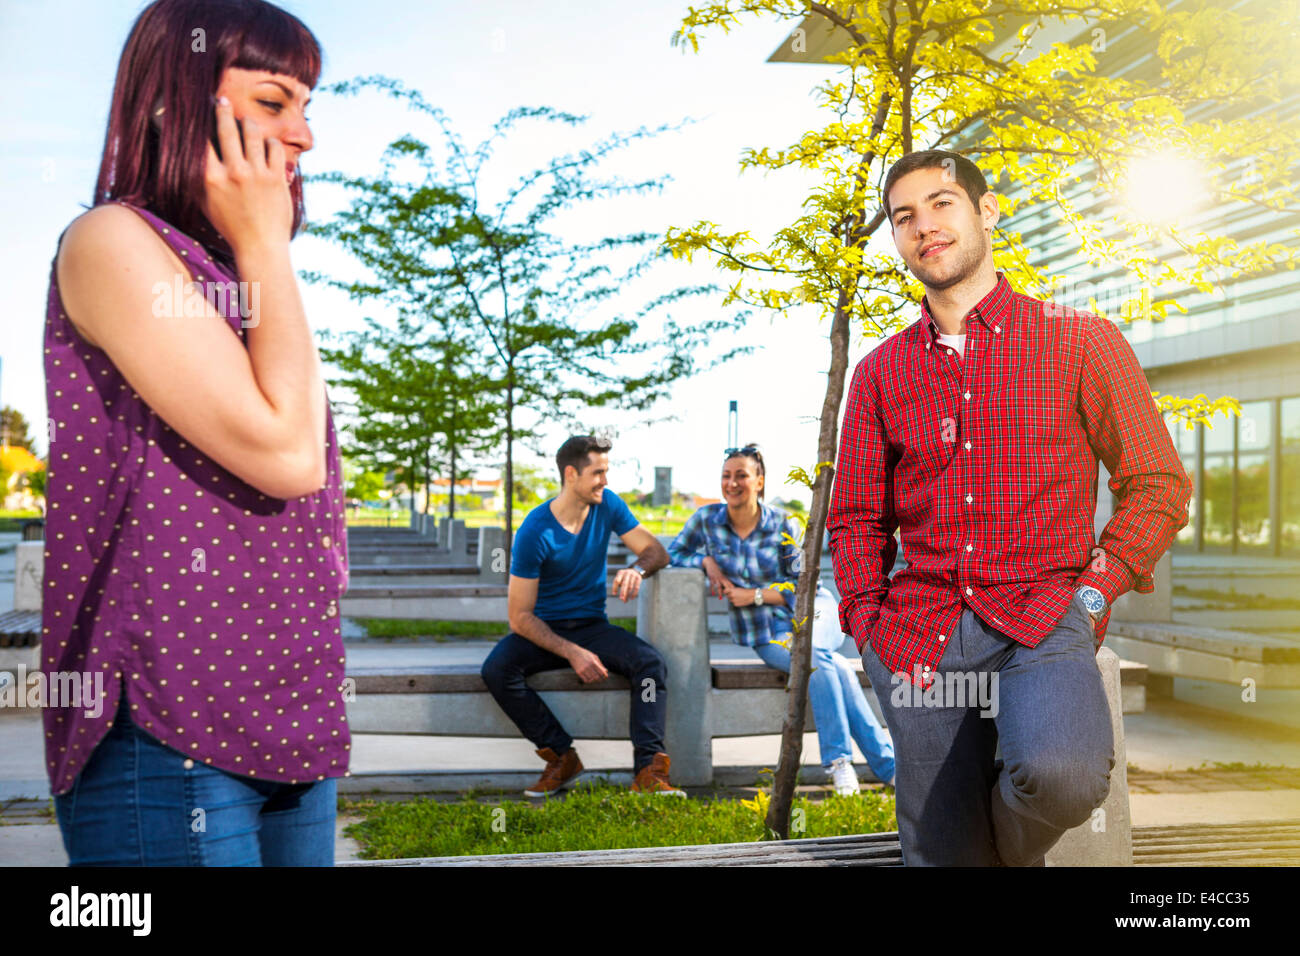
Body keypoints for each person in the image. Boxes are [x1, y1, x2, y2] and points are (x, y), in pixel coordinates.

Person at [42, 0, 346, 866]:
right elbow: (287, 456)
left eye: (309, 107)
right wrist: (267, 243)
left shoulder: (228, 266)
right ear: (181, 103)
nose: (305, 136)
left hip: (293, 710)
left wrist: (259, 249)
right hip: (168, 723)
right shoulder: (112, 242)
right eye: (275, 101)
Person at [828, 149, 1193, 866]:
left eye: (941, 204)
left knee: (1063, 778)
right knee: (940, 854)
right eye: (905, 217)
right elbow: (855, 520)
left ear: (986, 211)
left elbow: (1158, 483)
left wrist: (1091, 597)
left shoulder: (1080, 339)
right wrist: (866, 624)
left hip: (1041, 619)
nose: (923, 227)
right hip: (917, 637)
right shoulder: (879, 372)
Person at [668, 445, 896, 795]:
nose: (732, 483)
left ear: (759, 480)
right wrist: (705, 562)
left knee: (815, 655)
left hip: (813, 612)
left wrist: (754, 595)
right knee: (831, 664)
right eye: (726, 476)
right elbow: (674, 552)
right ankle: (885, 766)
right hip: (766, 632)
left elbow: (807, 583)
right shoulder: (706, 521)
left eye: (741, 475)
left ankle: (840, 762)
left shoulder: (782, 523)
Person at [480, 435, 685, 797]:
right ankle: (561, 756)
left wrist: (637, 569)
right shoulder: (535, 530)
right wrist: (572, 652)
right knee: (497, 670)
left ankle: (648, 770)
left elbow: (656, 551)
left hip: (592, 626)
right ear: (571, 474)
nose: (605, 482)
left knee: (650, 666)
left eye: (606, 472)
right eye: (598, 473)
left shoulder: (608, 505)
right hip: (545, 630)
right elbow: (520, 617)